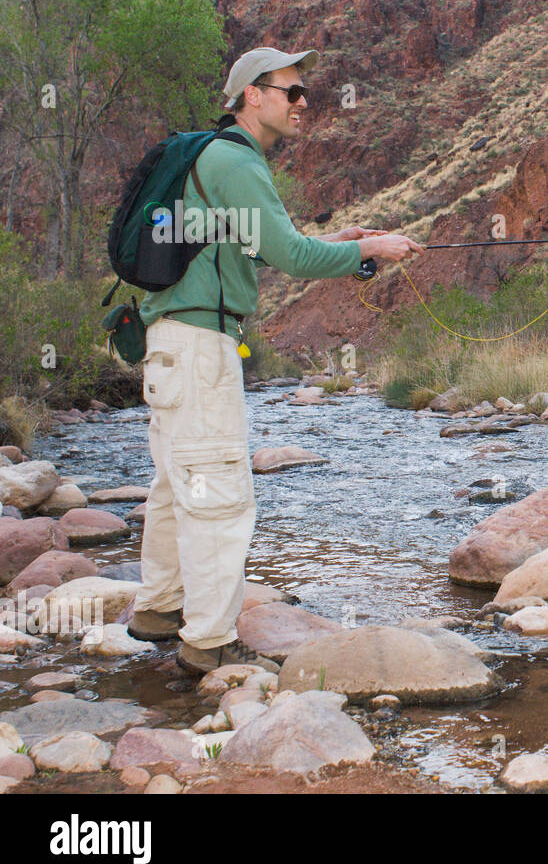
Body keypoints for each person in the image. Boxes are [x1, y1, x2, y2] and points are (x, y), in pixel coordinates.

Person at [129, 46, 422, 673]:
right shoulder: (235, 161)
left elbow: (261, 248)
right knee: (219, 492)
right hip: (200, 349)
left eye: (304, 91)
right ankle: (207, 644)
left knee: (175, 483)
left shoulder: (216, 159)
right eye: (292, 92)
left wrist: (338, 242)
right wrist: (369, 246)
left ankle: (158, 608)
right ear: (252, 96)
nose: (303, 103)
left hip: (173, 350)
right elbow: (291, 257)